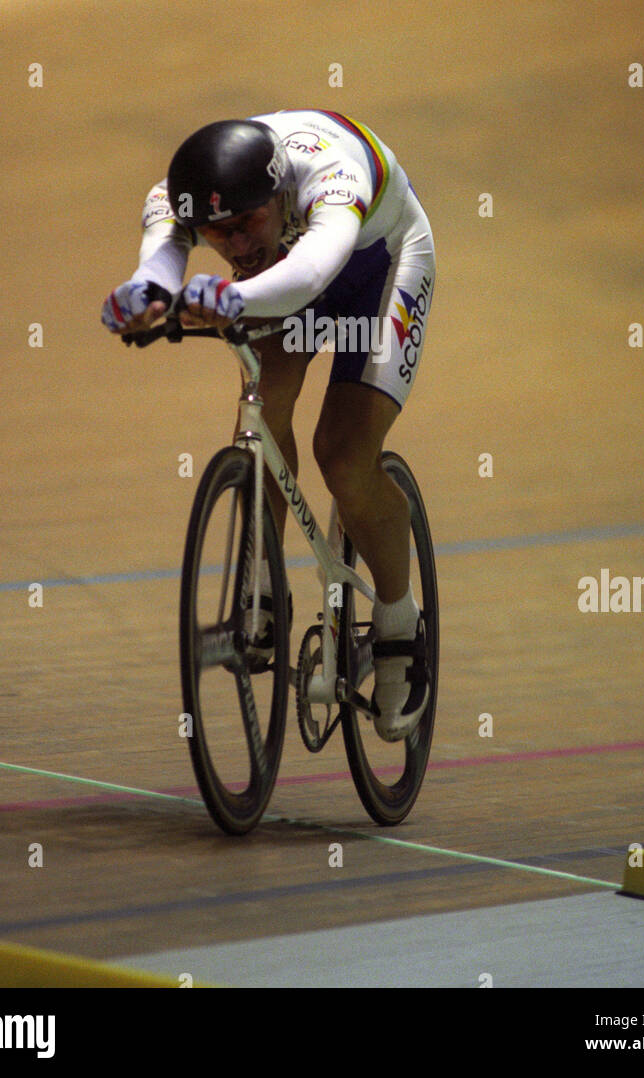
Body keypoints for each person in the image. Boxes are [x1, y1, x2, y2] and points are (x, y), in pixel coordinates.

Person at [101, 110, 435, 741]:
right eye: (215, 235)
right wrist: (143, 297)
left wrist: (231, 296)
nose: (233, 246)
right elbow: (160, 265)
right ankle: (262, 586)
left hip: (379, 269)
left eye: (246, 224)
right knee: (259, 416)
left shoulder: (332, 175)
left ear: (281, 194)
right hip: (289, 279)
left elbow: (309, 272)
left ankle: (399, 623)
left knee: (342, 454)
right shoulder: (173, 198)